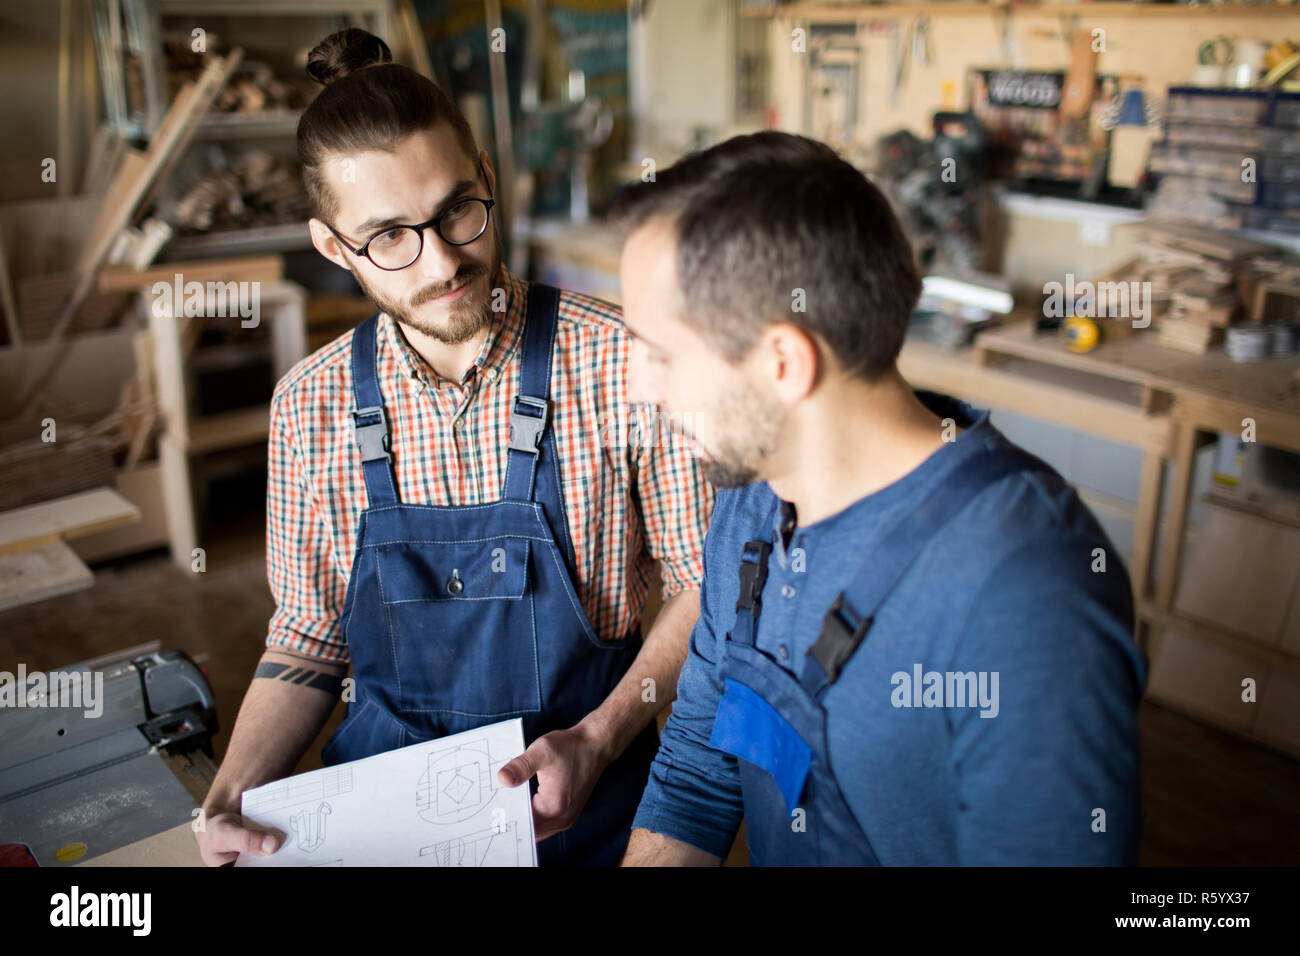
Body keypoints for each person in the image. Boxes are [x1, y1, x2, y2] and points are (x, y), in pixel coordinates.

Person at [193, 29, 712, 867]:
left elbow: (702, 589)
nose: (441, 261)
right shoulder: (310, 404)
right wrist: (226, 800)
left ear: (488, 176)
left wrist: (598, 736)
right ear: (332, 245)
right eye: (390, 237)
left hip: (593, 802)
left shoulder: (621, 361)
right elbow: (307, 638)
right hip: (386, 822)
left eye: (458, 211)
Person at [611, 131, 1147, 866]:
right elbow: (699, 772)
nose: (639, 388)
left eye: (660, 354)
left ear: (783, 365)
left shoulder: (1025, 593)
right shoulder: (754, 493)